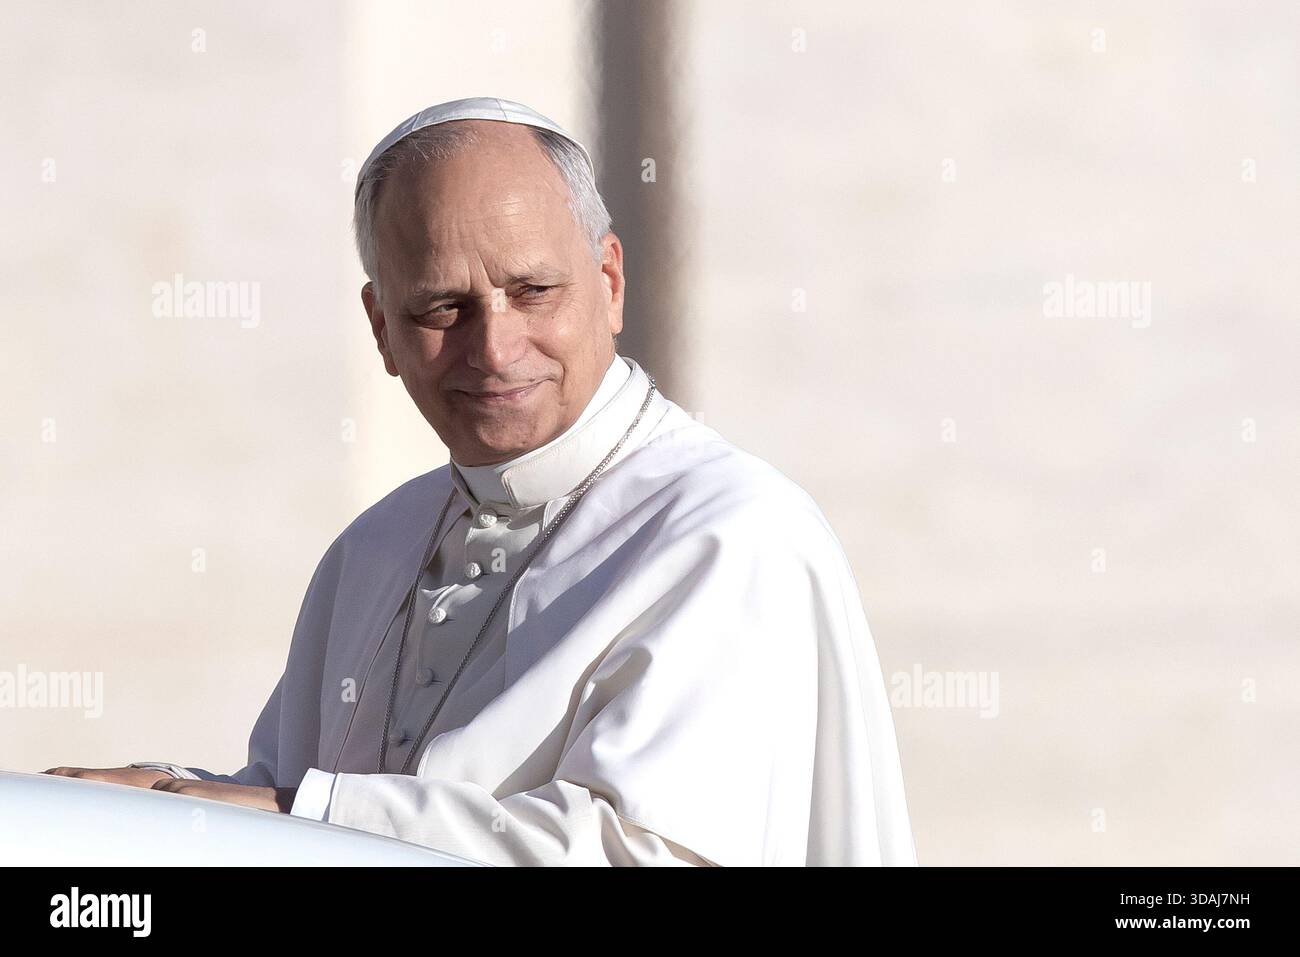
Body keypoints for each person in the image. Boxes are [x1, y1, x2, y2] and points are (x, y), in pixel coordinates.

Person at [46, 97, 916, 867]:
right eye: (440, 309)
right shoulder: (373, 550)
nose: (494, 350)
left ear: (609, 284)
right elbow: (278, 805)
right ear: (381, 327)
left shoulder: (731, 533)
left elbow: (643, 853)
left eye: (532, 290)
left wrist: (304, 811)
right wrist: (154, 802)